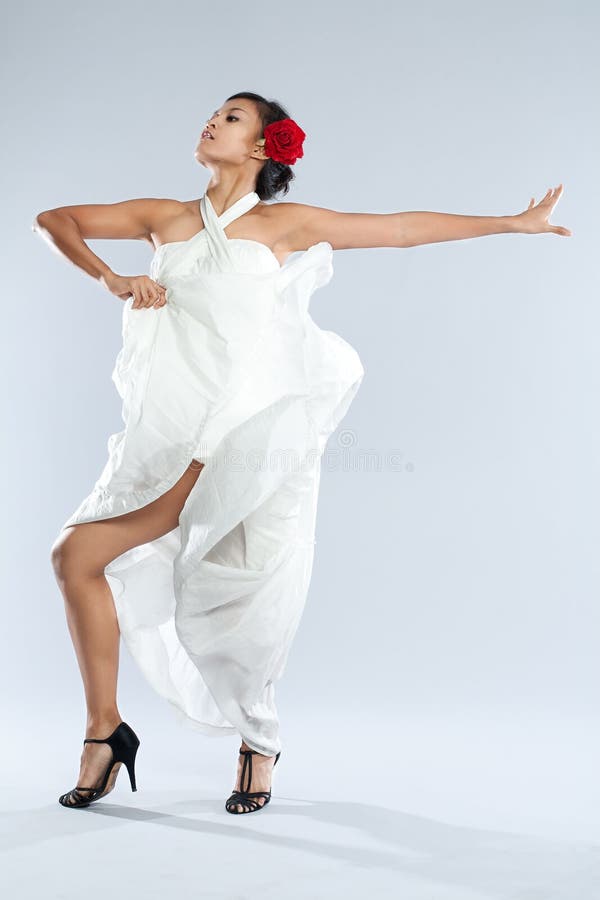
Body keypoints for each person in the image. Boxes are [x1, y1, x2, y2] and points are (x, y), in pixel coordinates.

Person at [34, 90, 571, 816]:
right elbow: (55, 219)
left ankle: (258, 741)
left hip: (245, 432)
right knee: (75, 557)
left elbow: (403, 229)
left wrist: (512, 223)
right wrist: (111, 275)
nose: (211, 120)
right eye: (213, 113)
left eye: (231, 117)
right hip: (168, 428)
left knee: (252, 593)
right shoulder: (164, 217)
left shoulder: (286, 224)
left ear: (262, 147)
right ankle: (106, 728)